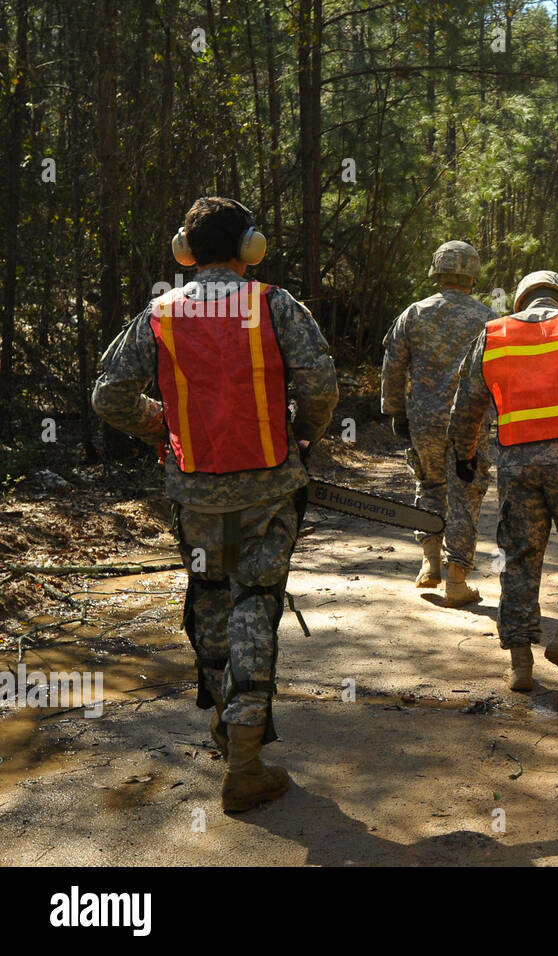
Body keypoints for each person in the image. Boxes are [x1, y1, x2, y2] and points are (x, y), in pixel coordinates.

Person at [93, 196, 338, 812]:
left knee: (209, 598)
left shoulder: (161, 313)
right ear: (250, 247)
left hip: (194, 488)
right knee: (254, 602)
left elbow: (109, 396)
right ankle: (247, 760)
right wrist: (302, 436)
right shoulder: (275, 304)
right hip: (268, 487)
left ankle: (226, 729)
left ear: (185, 251)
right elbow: (320, 385)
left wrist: (162, 429)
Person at [448, 270, 558, 691]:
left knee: (520, 557)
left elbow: (467, 404)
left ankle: (520, 665)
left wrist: (463, 454)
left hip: (516, 466)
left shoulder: (492, 334)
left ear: (521, 300)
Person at [381, 241, 496, 606]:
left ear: (438, 272)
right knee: (466, 493)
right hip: (472, 423)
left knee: (430, 484)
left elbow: (393, 366)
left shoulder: (414, 314)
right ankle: (456, 581)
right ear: (473, 275)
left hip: (424, 421)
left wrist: (397, 411)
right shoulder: (489, 319)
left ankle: (430, 563)